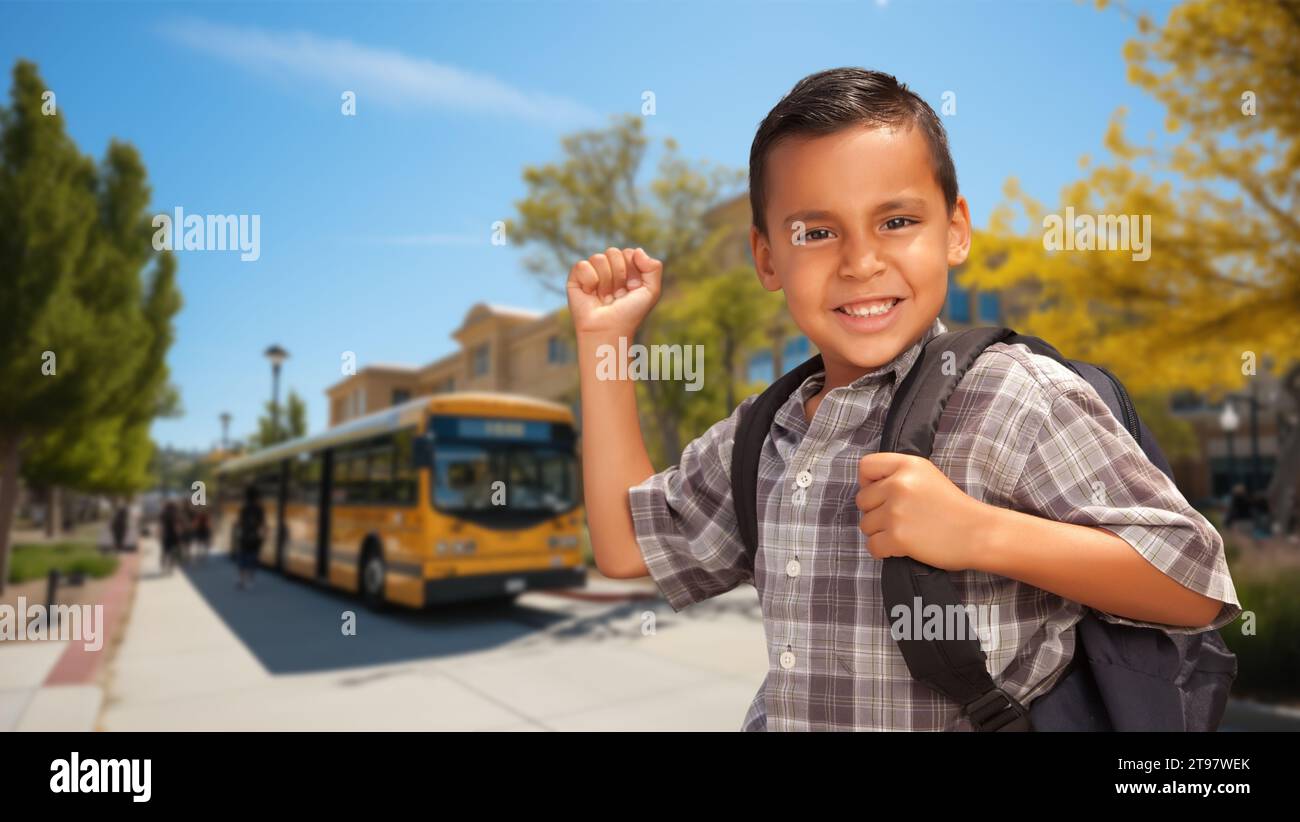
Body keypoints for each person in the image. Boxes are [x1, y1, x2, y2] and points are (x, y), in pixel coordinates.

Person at [568, 68, 1241, 731]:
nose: (861, 261)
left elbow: (1194, 584)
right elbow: (629, 548)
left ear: (954, 230)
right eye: (816, 232)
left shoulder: (1013, 396)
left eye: (895, 220)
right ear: (767, 257)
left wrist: (980, 533)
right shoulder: (762, 433)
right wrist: (605, 342)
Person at [236, 485, 266, 590]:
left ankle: (241, 579)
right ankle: (250, 580)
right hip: (255, 537)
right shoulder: (259, 509)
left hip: (244, 537)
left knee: (243, 558)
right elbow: (263, 524)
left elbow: (239, 523)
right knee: (252, 558)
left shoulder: (243, 508)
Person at [159, 500, 181, 574]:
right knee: (173, 551)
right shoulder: (176, 514)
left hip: (166, 535)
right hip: (174, 535)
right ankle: (171, 566)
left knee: (165, 551)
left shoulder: (163, 514)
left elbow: (161, 526)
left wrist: (160, 534)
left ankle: (163, 565)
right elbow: (177, 526)